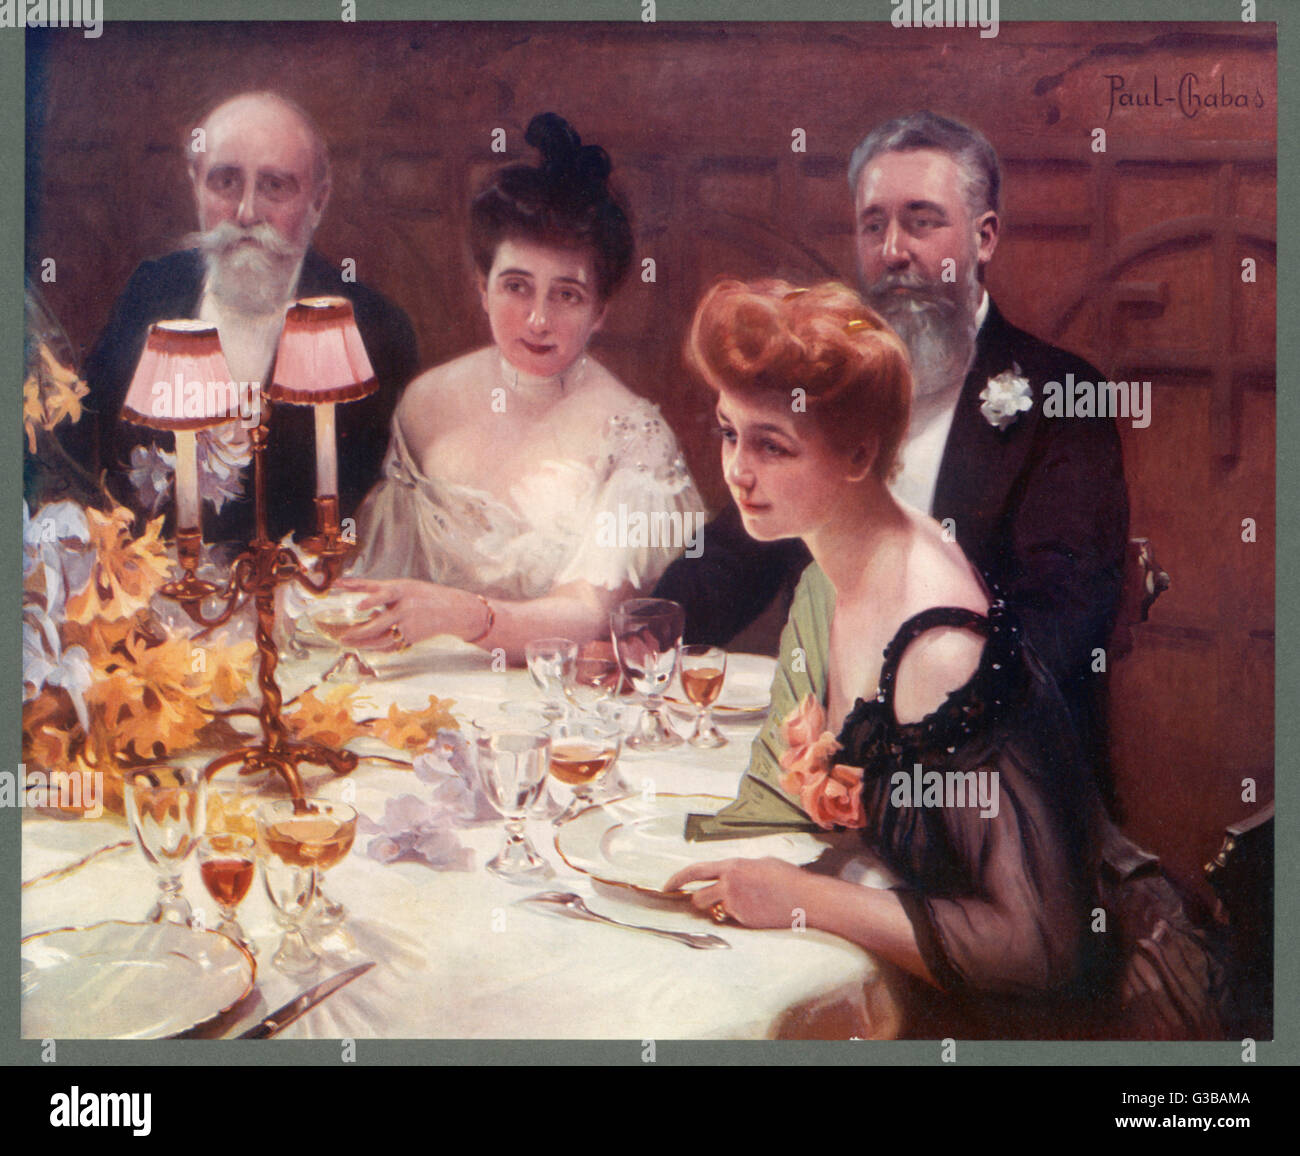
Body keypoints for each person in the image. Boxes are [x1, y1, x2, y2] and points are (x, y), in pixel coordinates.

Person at [665, 280, 1221, 1041]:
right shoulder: (851, 565)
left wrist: (800, 897)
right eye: (730, 433)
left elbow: (1041, 949)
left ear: (860, 454)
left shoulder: (934, 642)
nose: (738, 471)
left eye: (772, 444)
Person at [653, 112, 1127, 809]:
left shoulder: (1063, 396)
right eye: (873, 225)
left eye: (922, 221)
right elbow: (731, 556)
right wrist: (649, 637)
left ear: (985, 235)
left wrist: (888, 749)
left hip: (995, 790)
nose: (893, 250)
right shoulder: (825, 380)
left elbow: (1058, 628)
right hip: (831, 766)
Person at [337, 114, 703, 661]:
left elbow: (591, 615)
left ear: (600, 312)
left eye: (568, 295)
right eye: (516, 286)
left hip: (564, 698)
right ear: (480, 288)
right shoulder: (426, 402)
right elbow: (383, 579)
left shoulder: (635, 435)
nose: (537, 319)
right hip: (428, 684)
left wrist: (465, 617)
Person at [73, 90, 419, 545]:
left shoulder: (375, 328)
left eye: (275, 186)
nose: (246, 212)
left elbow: (372, 517)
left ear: (319, 200)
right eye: (225, 182)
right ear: (195, 183)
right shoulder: (151, 290)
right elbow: (85, 442)